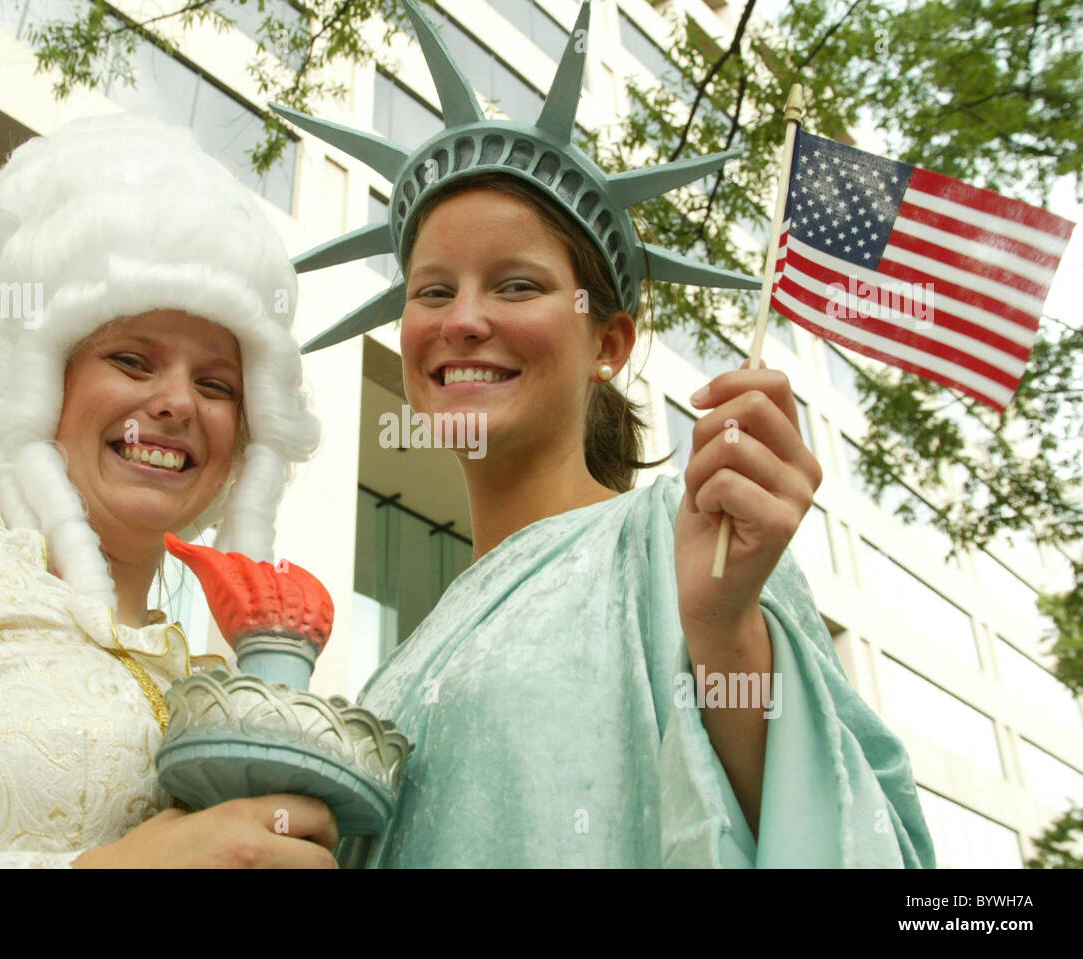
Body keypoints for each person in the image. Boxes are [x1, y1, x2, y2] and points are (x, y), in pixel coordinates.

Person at [277, 0, 935, 867]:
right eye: (432, 291)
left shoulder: (684, 539)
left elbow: (848, 842)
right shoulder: (396, 666)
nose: (464, 319)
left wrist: (724, 628)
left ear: (609, 342)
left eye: (516, 286)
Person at [0, 113, 338, 868]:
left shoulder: (208, 688)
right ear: (44, 383)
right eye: (134, 361)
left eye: (216, 383)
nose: (178, 402)